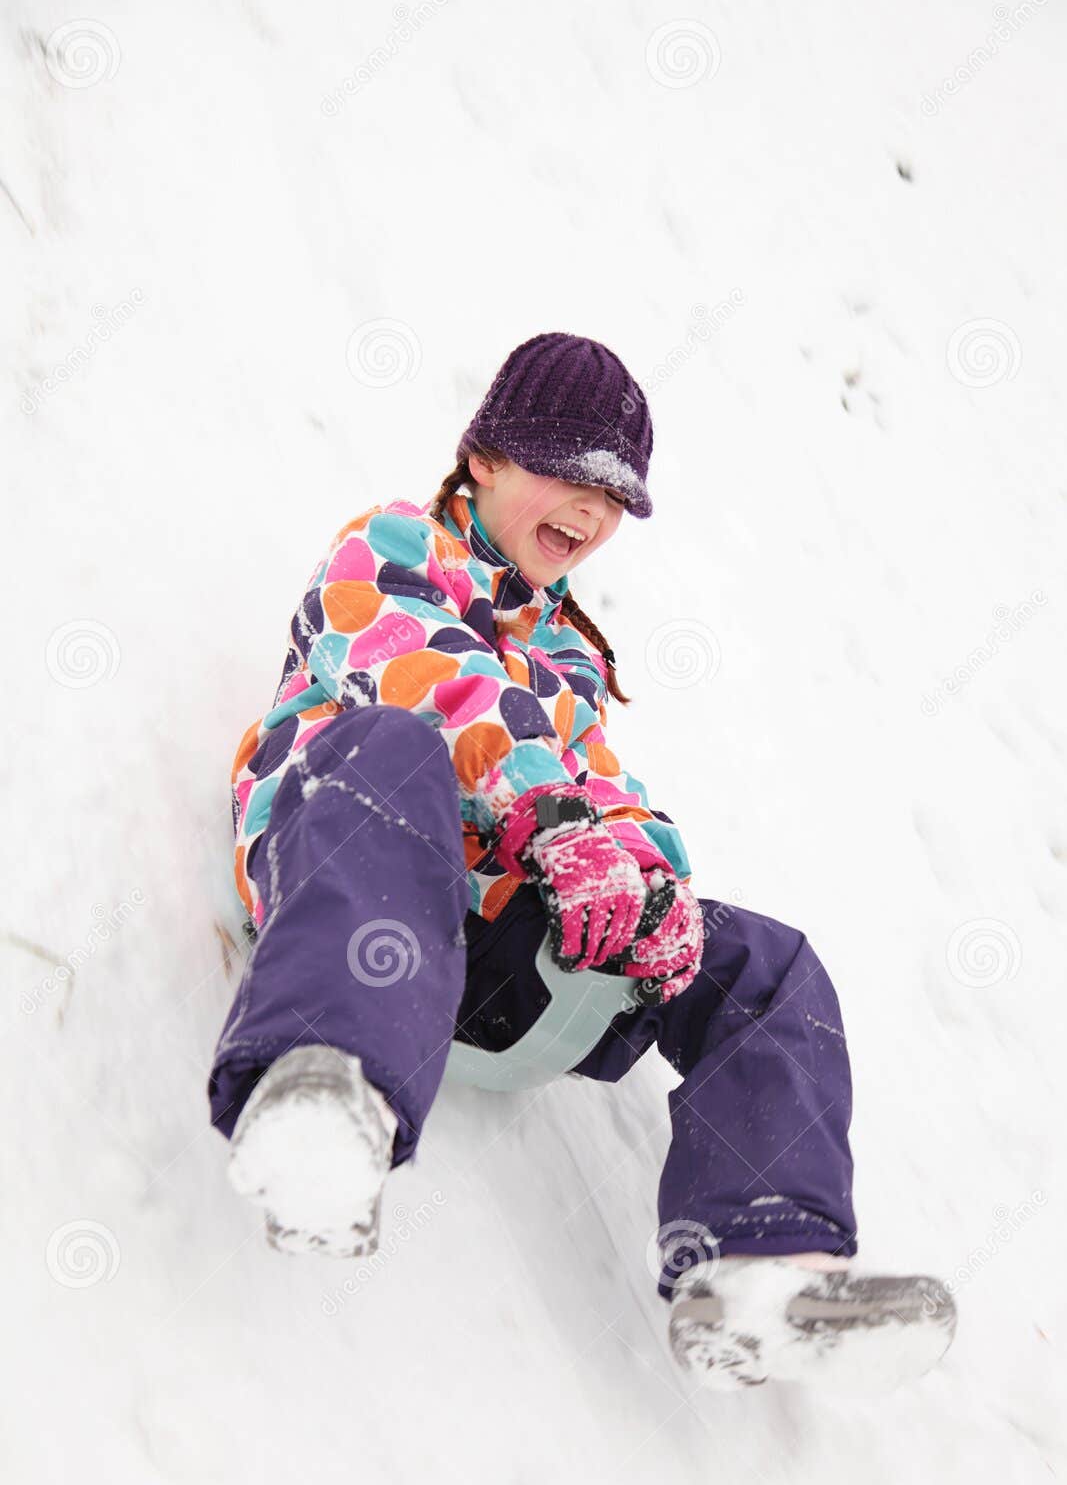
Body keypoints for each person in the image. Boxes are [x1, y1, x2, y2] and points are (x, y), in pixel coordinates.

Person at [207, 332, 956, 1394]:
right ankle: (322, 1102)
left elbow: (603, 780)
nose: (593, 512)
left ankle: (756, 1273)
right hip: (357, 886)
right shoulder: (390, 549)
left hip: (497, 948)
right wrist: (547, 814)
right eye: (571, 476)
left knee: (766, 967)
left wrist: (649, 882)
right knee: (397, 749)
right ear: (483, 460)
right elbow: (428, 679)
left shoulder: (565, 652)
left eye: (614, 500)